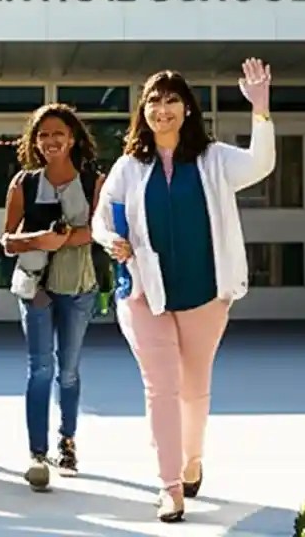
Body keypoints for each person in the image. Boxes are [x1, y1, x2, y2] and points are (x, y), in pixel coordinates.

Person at [90, 59, 274, 523]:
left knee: (193, 389)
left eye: (172, 100)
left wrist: (261, 109)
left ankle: (192, 461)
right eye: (154, 101)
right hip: (143, 294)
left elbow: (261, 164)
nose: (163, 108)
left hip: (204, 292)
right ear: (143, 111)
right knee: (162, 388)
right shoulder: (130, 166)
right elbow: (101, 218)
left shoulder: (213, 159)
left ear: (187, 109)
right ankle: (169, 486)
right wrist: (110, 240)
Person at [1, 103, 106, 491]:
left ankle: (67, 441)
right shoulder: (24, 183)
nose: (50, 141)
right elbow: (8, 241)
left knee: (69, 370)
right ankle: (37, 453)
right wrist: (40, 240)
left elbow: (99, 231)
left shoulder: (94, 181)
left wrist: (65, 239)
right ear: (34, 141)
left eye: (58, 133)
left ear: (72, 138)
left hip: (78, 287)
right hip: (36, 288)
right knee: (40, 368)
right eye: (43, 134)